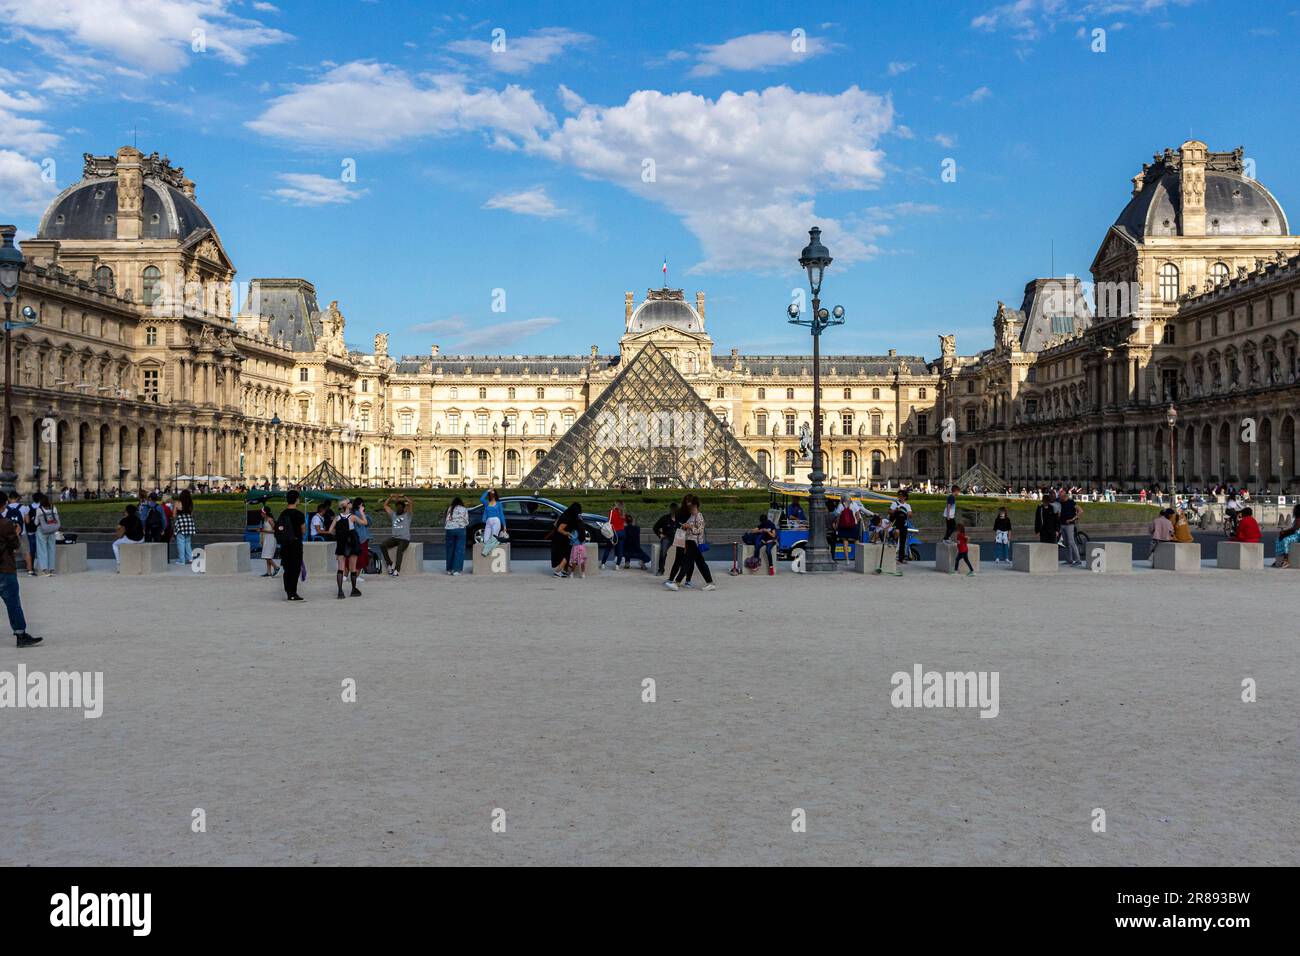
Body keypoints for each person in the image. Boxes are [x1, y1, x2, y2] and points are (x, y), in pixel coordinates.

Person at [0, 509, 40, 647]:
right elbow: (15, 546)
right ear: (3, 506)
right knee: (13, 604)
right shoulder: (5, 524)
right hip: (5, 568)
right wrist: (16, 533)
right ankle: (20, 635)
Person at [666, 496, 715, 591]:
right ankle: (710, 582)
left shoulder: (699, 516)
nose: (690, 509)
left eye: (691, 507)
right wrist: (685, 526)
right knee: (701, 563)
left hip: (694, 543)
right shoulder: (692, 516)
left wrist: (690, 527)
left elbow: (699, 531)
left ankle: (677, 583)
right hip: (690, 542)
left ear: (695, 506)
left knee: (687, 562)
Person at [276, 490, 307, 601]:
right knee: (295, 568)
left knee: (287, 568)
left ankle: (288, 591)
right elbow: (303, 530)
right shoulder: (299, 514)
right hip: (296, 544)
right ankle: (293, 592)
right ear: (296, 499)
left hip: (285, 545)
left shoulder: (283, 513)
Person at [380, 494, 413, 576]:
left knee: (399, 550)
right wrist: (391, 497)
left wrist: (404, 496)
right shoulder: (393, 514)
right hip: (394, 538)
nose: (398, 509)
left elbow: (411, 503)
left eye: (400, 507)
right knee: (382, 545)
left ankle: (397, 570)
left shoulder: (408, 515)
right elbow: (385, 505)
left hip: (404, 539)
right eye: (397, 507)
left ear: (403, 508)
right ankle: (389, 563)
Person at [4, 492, 33, 577]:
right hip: (22, 532)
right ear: (17, 498)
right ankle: (30, 570)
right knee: (26, 552)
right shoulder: (24, 507)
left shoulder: (5, 508)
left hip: (10, 534)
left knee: (11, 552)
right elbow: (27, 521)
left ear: (9, 499)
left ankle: (11, 569)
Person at [32, 493, 60, 575]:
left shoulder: (39, 509)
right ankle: (52, 568)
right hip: (52, 530)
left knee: (42, 550)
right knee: (52, 549)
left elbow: (36, 522)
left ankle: (44, 569)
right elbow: (56, 518)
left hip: (42, 531)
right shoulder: (53, 508)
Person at [550, 503, 582, 577]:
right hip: (560, 539)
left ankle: (564, 571)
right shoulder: (567, 518)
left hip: (560, 538)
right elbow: (559, 529)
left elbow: (555, 524)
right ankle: (557, 572)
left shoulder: (565, 514)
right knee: (567, 555)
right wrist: (567, 533)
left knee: (565, 554)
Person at [112, 503, 145, 569]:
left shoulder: (124, 520)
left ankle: (119, 563)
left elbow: (118, 528)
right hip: (141, 539)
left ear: (127, 511)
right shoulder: (138, 519)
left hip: (131, 539)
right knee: (125, 538)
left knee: (114, 544)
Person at [444, 496, 468, 575]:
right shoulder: (464, 509)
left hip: (449, 529)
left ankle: (449, 569)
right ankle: (456, 570)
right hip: (460, 529)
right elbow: (466, 521)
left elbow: (446, 519)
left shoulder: (450, 508)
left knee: (450, 550)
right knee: (459, 550)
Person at [1058, 488, 1082, 566]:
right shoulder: (1060, 502)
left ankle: (1078, 560)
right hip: (1062, 524)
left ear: (1064, 496)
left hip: (1069, 525)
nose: (1059, 497)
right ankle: (1069, 560)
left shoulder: (1071, 502)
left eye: (1060, 496)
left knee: (1071, 542)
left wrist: (1073, 519)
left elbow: (1080, 510)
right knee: (1066, 543)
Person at [1271, 504, 1300, 568]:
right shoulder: (1296, 519)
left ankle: (1286, 559)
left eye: (1294, 510)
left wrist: (1284, 532)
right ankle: (1279, 559)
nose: (1293, 511)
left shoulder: (1298, 519)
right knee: (1278, 540)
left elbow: (1294, 530)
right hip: (1296, 535)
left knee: (1285, 540)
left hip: (1298, 536)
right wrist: (1284, 533)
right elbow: (1293, 530)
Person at [601, 500, 627, 569]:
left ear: (616, 504)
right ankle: (617, 565)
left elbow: (609, 521)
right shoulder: (623, 513)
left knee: (608, 548)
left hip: (613, 532)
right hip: (622, 532)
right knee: (620, 550)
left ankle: (603, 564)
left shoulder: (612, 511)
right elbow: (624, 523)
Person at [173, 490, 196, 566]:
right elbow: (191, 514)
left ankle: (181, 560)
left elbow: (174, 515)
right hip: (189, 523)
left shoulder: (177, 503)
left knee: (180, 542)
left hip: (181, 523)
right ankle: (190, 558)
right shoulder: (190, 504)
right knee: (188, 542)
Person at [652, 508, 677, 575]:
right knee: (663, 551)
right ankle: (661, 569)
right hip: (667, 538)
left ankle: (683, 569)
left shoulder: (680, 518)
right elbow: (655, 527)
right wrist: (660, 534)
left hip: (678, 538)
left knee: (685, 551)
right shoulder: (665, 518)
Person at [891, 491, 912, 565]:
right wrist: (896, 510)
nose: (900, 497)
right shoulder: (894, 503)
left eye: (901, 495)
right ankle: (893, 557)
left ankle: (901, 559)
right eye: (899, 495)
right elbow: (890, 512)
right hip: (896, 524)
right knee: (896, 538)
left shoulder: (908, 505)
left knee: (903, 542)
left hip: (904, 524)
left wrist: (905, 512)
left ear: (905, 497)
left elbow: (910, 515)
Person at [259, 505, 280, 577]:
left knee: (266, 556)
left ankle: (276, 567)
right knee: (267, 555)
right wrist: (262, 538)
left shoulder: (270, 519)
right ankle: (269, 572)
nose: (261, 514)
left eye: (262, 513)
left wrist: (263, 530)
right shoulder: (264, 520)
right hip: (267, 539)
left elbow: (275, 530)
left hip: (271, 539)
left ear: (265, 513)